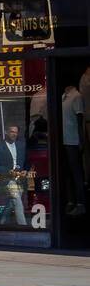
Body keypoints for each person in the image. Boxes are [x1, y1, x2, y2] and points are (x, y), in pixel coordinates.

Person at [0, 124, 28, 227]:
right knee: (16, 198)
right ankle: (23, 226)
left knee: (12, 202)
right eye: (12, 132)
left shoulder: (21, 145)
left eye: (16, 132)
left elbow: (26, 161)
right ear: (6, 132)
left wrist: (25, 170)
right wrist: (9, 171)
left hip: (19, 179)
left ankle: (1, 222)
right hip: (6, 179)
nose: (14, 134)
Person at [62, 85, 87, 217]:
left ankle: (81, 204)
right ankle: (71, 201)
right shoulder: (63, 97)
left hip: (73, 141)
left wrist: (81, 140)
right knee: (68, 173)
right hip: (64, 140)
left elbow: (79, 119)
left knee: (76, 173)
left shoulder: (76, 96)